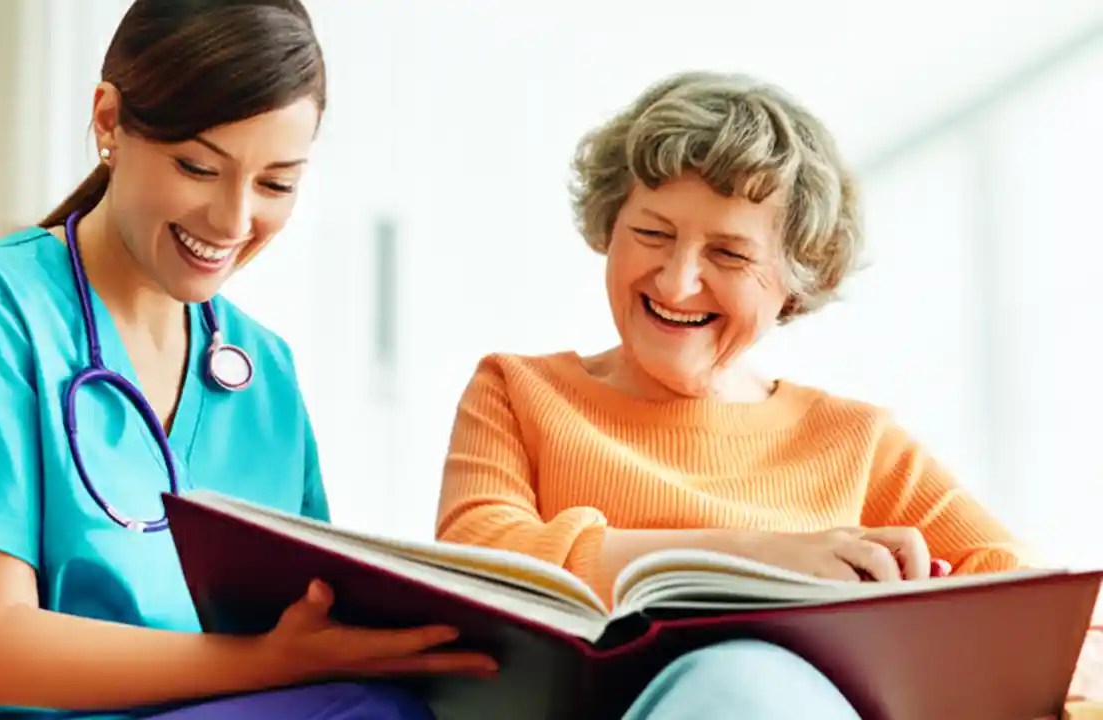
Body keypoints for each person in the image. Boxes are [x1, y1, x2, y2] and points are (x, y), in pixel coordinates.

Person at [0, 2, 496, 718]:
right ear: (108, 122)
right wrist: (267, 662)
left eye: (277, 183)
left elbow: (305, 625)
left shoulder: (262, 373)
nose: (232, 220)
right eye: (198, 167)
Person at [435, 70, 1037, 718]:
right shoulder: (520, 392)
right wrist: (762, 555)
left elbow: (1025, 596)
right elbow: (479, 562)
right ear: (610, 226)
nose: (677, 279)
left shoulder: (856, 441)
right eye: (652, 234)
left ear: (794, 281)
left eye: (728, 254)